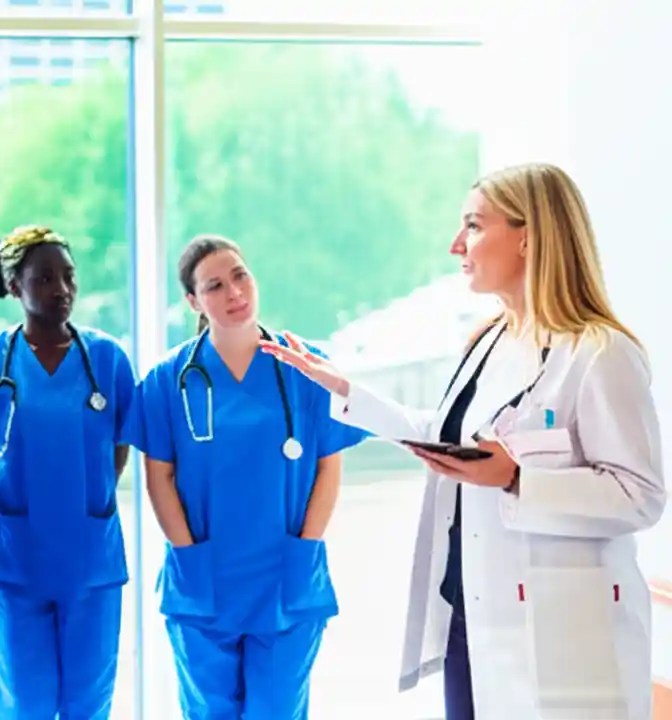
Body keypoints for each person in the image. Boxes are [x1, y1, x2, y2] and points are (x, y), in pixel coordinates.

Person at [263, 162, 665, 720]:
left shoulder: (601, 353)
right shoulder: (487, 340)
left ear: (528, 235)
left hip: (565, 631)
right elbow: (447, 439)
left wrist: (521, 477)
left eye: (474, 225)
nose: (457, 245)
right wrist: (344, 390)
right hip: (471, 612)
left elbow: (641, 494)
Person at [121, 234, 367, 719]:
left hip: (286, 578)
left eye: (240, 276)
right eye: (214, 286)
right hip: (205, 580)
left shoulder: (307, 366)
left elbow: (327, 468)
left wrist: (305, 550)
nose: (234, 293)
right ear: (193, 301)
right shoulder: (168, 380)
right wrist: (188, 556)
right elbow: (159, 481)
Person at [0, 224, 135, 719]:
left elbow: (120, 444)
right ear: (14, 286)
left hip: (91, 556)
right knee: (25, 701)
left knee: (89, 701)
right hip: (16, 557)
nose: (61, 290)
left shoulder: (105, 358)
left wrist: (89, 496)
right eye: (44, 279)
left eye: (68, 276)